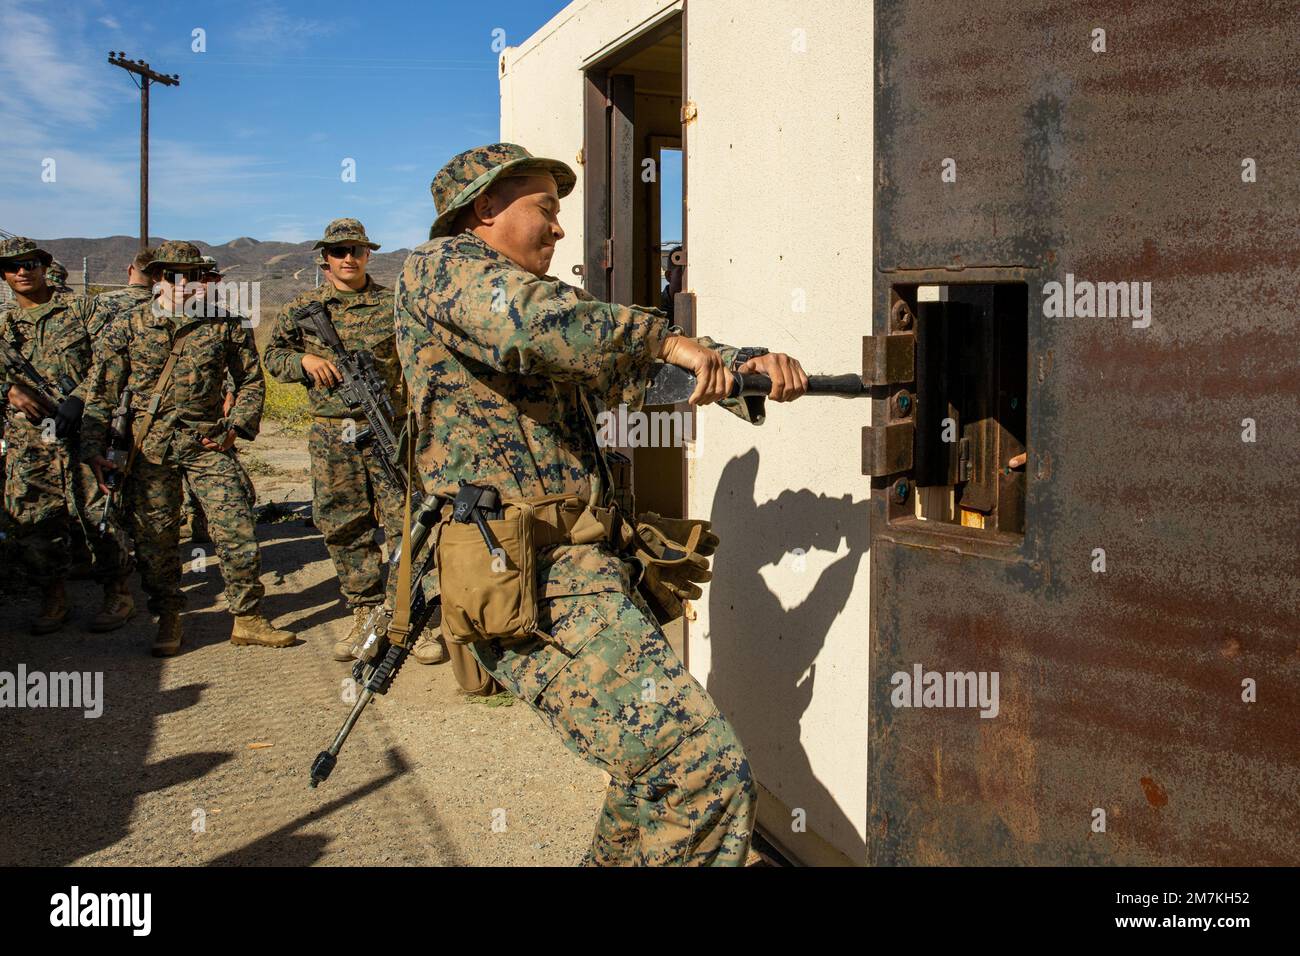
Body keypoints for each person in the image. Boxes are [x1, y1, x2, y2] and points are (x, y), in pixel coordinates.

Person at [394, 143, 809, 865]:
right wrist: (669, 339)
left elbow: (631, 370)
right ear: (484, 209)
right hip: (523, 573)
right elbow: (535, 327)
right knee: (697, 770)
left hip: (579, 565)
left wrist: (740, 365)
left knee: (657, 773)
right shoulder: (445, 272)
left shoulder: (553, 311)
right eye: (545, 211)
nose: (559, 230)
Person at [82, 240, 293, 656]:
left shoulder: (226, 323)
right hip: (149, 448)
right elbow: (100, 392)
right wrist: (94, 449)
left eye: (192, 275)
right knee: (155, 539)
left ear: (202, 279)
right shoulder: (129, 325)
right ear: (158, 277)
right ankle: (169, 618)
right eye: (173, 275)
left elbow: (250, 381)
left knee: (236, 528)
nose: (183, 283)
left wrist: (236, 427)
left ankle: (247, 616)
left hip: (207, 442)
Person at [264, 219, 444, 665]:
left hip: (390, 428)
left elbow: (421, 357)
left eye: (357, 250)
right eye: (339, 250)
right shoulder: (303, 308)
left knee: (408, 525)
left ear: (368, 256)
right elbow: (272, 356)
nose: (349, 258)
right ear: (325, 257)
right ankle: (365, 614)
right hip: (331, 431)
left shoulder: (394, 305)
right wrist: (303, 360)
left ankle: (407, 618)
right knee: (344, 523)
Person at [0, 237, 133, 633]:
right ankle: (53, 597)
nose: (23, 271)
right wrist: (7, 391)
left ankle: (118, 592)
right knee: (36, 519)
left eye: (31, 263)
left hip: (85, 431)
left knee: (98, 515)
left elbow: (112, 359)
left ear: (44, 267)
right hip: (31, 439)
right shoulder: (4, 327)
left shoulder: (82, 309)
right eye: (12, 266)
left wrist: (78, 399)